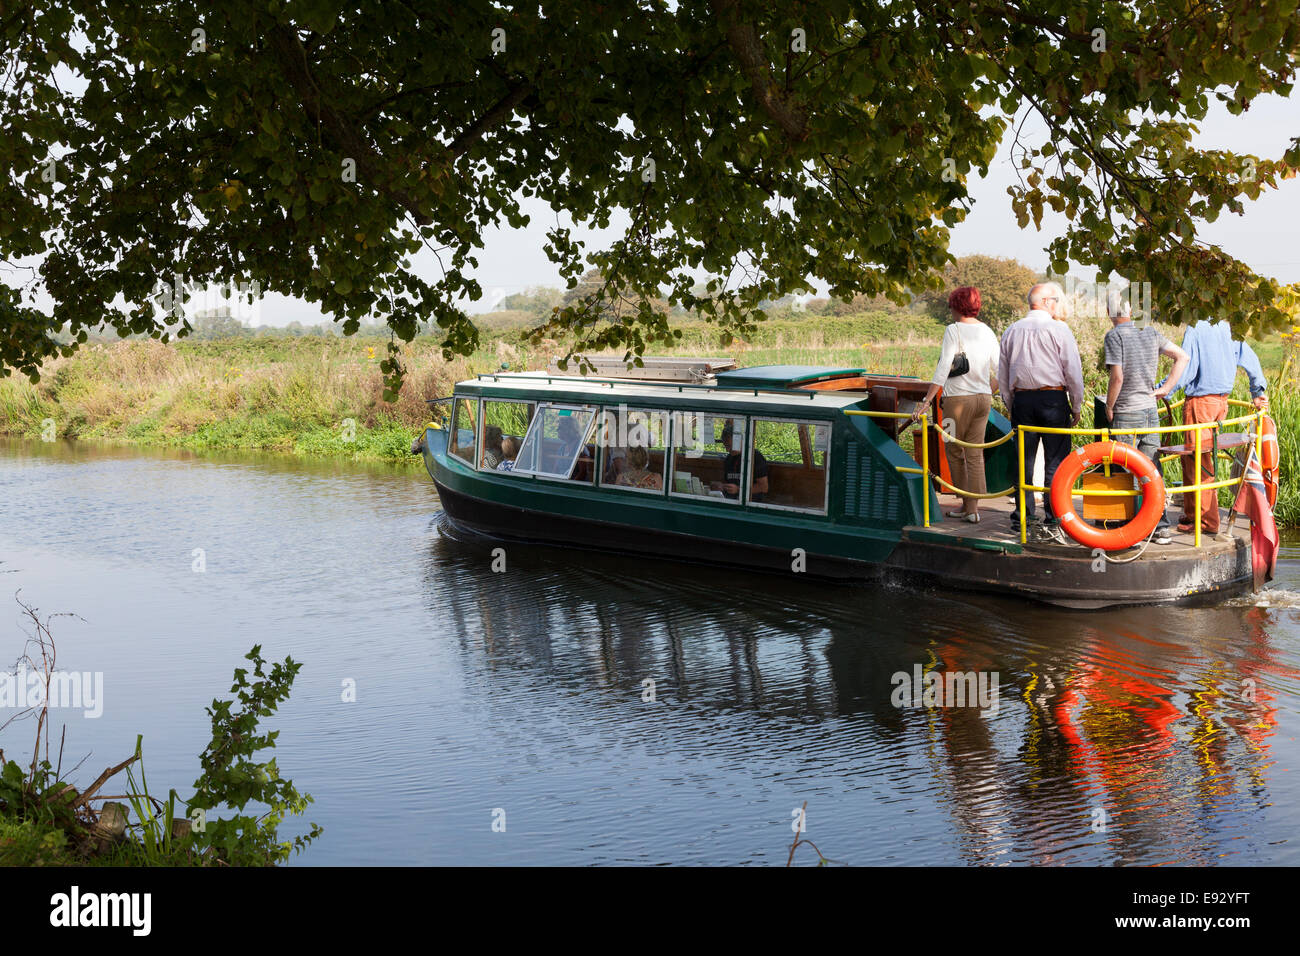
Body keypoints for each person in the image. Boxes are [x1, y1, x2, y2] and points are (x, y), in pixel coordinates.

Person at [1160, 318, 1269, 535]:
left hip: (1200, 403)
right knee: (1195, 460)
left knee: (1198, 462)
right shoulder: (1227, 323)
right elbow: (1250, 358)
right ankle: (1193, 514)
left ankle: (1206, 522)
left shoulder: (1195, 327)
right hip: (1221, 402)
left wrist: (1161, 391)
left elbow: (1186, 369)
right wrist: (1258, 392)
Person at [1102, 289, 1189, 544]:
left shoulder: (1113, 336)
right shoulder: (1150, 332)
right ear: (1131, 311)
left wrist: (1109, 405)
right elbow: (1182, 357)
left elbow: (1117, 377)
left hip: (1126, 411)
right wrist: (1165, 389)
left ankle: (1131, 529)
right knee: (1152, 467)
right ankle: (1160, 526)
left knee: (1123, 469)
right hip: (1150, 410)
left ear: (1109, 312)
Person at [998, 281, 1085, 529]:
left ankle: (1022, 516)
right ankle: (1054, 515)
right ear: (1047, 302)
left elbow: (1003, 374)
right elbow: (1073, 371)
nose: (1057, 304)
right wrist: (1075, 405)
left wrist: (1011, 402)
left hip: (1022, 400)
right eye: (1055, 300)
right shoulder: (1059, 330)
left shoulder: (1011, 330)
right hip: (1053, 399)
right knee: (1055, 459)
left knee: (1023, 459)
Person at [913, 286, 999, 523]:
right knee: (975, 452)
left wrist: (926, 401)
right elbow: (1001, 370)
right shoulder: (987, 331)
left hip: (955, 403)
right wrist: (985, 391)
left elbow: (943, 369)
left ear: (956, 306)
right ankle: (972, 508)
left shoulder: (953, 330)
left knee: (952, 449)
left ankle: (967, 504)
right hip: (983, 401)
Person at [716, 422, 768, 501]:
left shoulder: (755, 457)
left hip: (750, 502)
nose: (727, 450)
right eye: (725, 446)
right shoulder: (729, 459)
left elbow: (763, 487)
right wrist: (722, 487)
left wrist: (739, 490)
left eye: (729, 446)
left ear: (740, 441)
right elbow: (728, 482)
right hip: (731, 500)